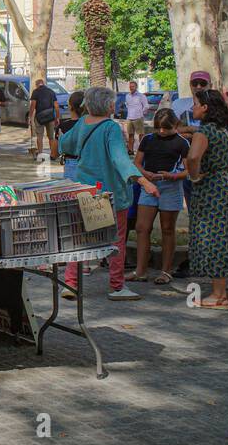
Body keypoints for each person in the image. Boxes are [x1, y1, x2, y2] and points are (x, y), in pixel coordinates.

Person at [58, 87, 159, 302]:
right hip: (111, 195)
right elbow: (120, 159)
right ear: (109, 105)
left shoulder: (83, 123)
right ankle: (116, 286)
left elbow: (64, 144)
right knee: (116, 241)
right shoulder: (111, 128)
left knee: (79, 238)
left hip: (85, 190)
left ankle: (70, 283)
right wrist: (143, 181)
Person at [184, 89, 228, 309]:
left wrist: (194, 176)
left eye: (195, 104)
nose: (192, 108)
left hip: (213, 187)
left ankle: (219, 295)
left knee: (215, 235)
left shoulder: (206, 131)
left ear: (205, 108)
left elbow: (193, 157)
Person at [127, 108, 188, 285]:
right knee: (142, 227)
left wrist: (171, 176)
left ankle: (166, 270)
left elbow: (188, 170)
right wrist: (145, 174)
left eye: (166, 128)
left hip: (171, 186)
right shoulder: (148, 139)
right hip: (149, 184)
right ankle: (140, 270)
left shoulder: (181, 143)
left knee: (167, 228)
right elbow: (137, 162)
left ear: (175, 125)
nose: (161, 131)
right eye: (158, 128)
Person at [57, 90, 86, 180]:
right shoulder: (89, 125)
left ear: (70, 106)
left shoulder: (63, 126)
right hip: (88, 164)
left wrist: (61, 140)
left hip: (70, 164)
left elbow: (54, 153)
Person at [29, 78, 59, 159]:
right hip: (50, 117)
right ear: (44, 84)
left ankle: (40, 154)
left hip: (39, 117)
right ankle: (52, 155)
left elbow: (33, 105)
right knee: (51, 137)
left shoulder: (35, 92)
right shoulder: (51, 92)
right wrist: (57, 118)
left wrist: (30, 116)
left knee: (39, 136)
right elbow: (56, 106)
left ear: (36, 85)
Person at [123, 81, 149, 154]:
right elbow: (127, 105)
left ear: (136, 87)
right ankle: (130, 150)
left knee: (141, 135)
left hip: (138, 117)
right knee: (130, 135)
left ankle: (142, 150)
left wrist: (141, 113)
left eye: (133, 86)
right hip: (129, 118)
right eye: (130, 86)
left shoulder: (141, 96)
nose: (131, 88)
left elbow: (146, 106)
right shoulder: (127, 96)